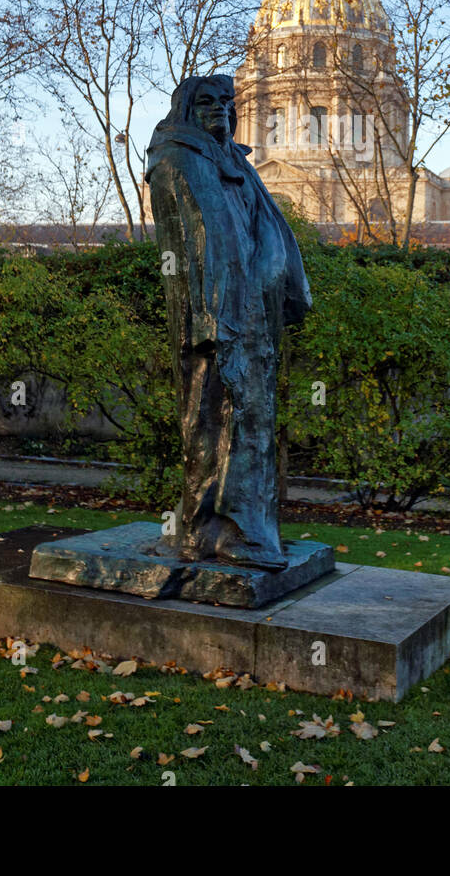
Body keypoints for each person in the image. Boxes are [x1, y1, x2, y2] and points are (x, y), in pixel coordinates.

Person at [145, 75, 311, 570]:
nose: (221, 108)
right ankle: (214, 530)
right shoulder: (179, 159)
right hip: (212, 318)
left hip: (250, 317)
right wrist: (220, 321)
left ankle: (245, 528)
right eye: (207, 101)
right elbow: (209, 239)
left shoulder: (231, 161)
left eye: (227, 100)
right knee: (211, 418)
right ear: (187, 109)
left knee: (250, 418)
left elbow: (258, 230)